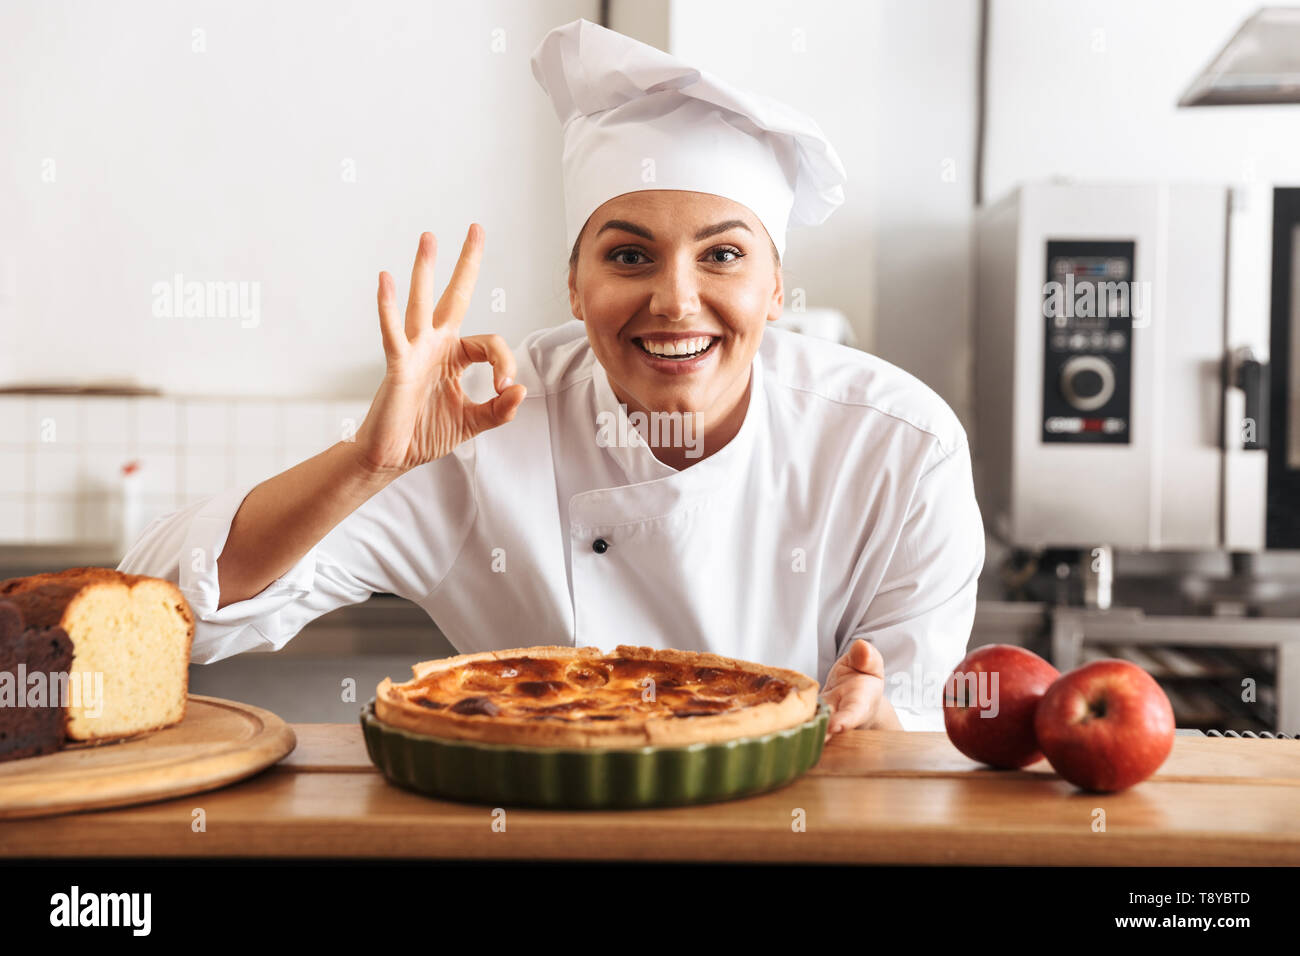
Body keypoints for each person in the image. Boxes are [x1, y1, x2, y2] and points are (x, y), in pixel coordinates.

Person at [119, 19, 985, 734]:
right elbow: (159, 614)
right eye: (629, 255)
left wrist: (877, 723)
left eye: (723, 254)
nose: (676, 301)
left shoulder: (901, 448)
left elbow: (903, 734)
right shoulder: (479, 427)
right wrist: (365, 464)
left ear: (776, 287)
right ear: (574, 286)